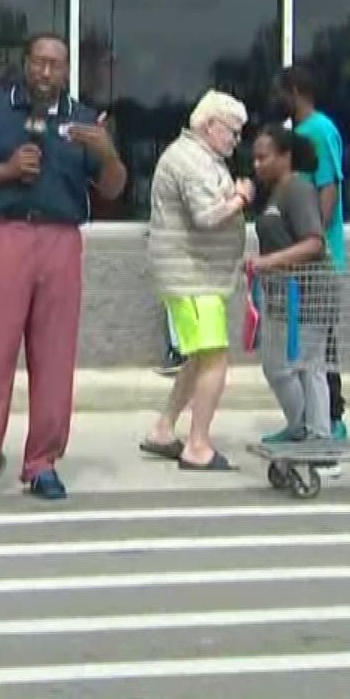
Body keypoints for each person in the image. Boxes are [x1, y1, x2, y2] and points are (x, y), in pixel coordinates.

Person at [0, 33, 128, 502]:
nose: (45, 73)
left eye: (55, 65)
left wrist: (107, 153)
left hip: (61, 241)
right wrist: (4, 171)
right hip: (5, 235)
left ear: (66, 71)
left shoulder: (84, 121)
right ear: (25, 65)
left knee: (55, 358)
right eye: (38, 63)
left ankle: (43, 464)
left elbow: (115, 188)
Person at [140, 91, 251, 471]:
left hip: (197, 273)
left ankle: (164, 429)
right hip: (192, 276)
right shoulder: (191, 161)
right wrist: (240, 197)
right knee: (215, 359)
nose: (236, 140)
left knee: (199, 358)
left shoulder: (199, 157)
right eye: (232, 132)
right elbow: (206, 216)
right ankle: (198, 445)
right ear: (208, 125)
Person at [246, 123, 332, 445]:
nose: (257, 165)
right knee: (277, 366)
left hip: (308, 294)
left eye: (263, 158)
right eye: (254, 159)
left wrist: (267, 262)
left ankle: (319, 438)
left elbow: (314, 243)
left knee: (308, 367)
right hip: (283, 295)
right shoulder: (274, 192)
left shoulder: (298, 189)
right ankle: (301, 427)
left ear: (286, 156)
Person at [277, 64, 349, 436]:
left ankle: (331, 419)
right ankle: (306, 421)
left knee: (320, 347)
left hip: (320, 259)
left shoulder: (318, 131)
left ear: (293, 92)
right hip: (303, 261)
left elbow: (329, 185)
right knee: (303, 348)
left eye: (280, 92)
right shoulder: (299, 134)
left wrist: (312, 239)